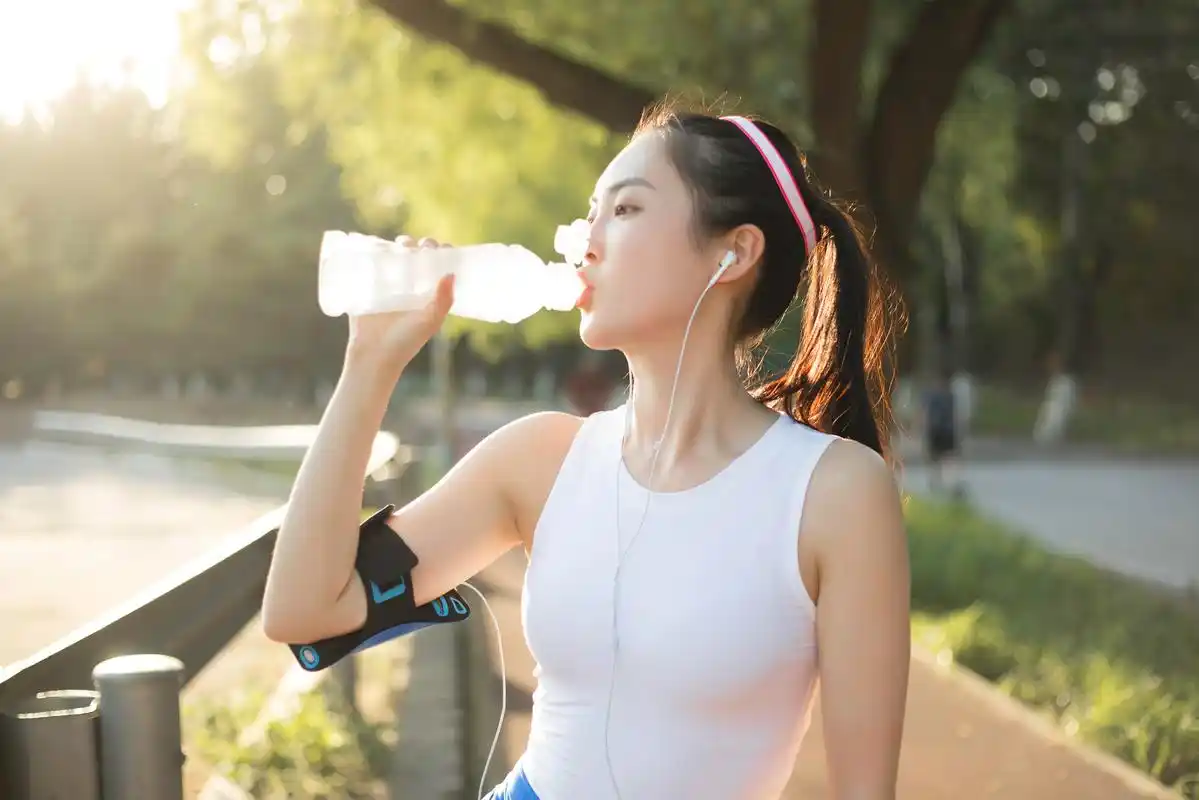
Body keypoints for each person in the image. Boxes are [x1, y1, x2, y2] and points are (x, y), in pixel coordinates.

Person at [262, 103, 911, 799]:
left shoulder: (832, 491)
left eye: (625, 210)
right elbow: (304, 610)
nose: (585, 244)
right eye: (589, 215)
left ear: (735, 251)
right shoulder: (539, 460)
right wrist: (369, 365)